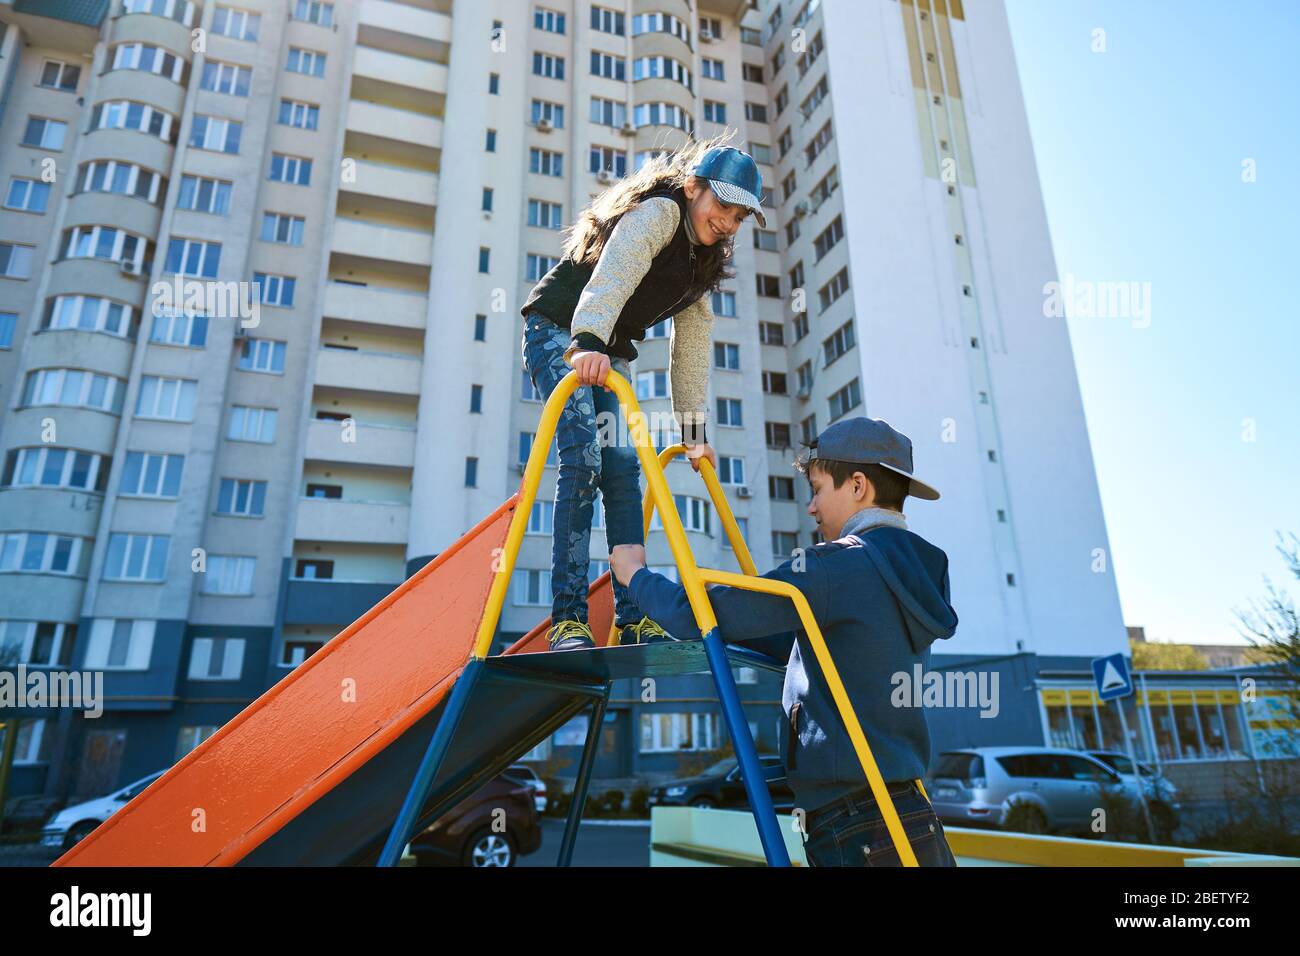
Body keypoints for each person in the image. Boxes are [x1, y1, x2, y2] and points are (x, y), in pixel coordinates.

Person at [610, 417, 960, 866]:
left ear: (857, 486)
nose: (812, 508)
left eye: (817, 489)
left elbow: (701, 611)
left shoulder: (834, 568)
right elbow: (809, 644)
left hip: (855, 822)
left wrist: (636, 576)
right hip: (913, 815)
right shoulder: (914, 574)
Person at [519, 133, 767, 651]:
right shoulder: (660, 214)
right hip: (562, 328)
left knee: (624, 467)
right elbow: (617, 271)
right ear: (694, 187)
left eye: (739, 217)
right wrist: (585, 340)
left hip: (606, 347)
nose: (726, 221)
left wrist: (694, 432)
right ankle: (568, 617)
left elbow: (692, 348)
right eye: (721, 205)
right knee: (584, 456)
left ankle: (633, 615)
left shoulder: (703, 268)